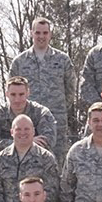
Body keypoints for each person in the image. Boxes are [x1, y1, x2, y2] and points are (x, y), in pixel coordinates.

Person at [10, 18, 77, 156]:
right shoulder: (20, 62)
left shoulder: (62, 60)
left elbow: (71, 88)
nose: (41, 36)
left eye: (45, 33)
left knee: (57, 159)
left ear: (50, 34)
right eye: (38, 32)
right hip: (28, 121)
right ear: (31, 33)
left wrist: (60, 107)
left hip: (57, 119)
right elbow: (12, 90)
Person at [0, 77, 57, 155]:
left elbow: (49, 140)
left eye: (21, 94)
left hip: (34, 155)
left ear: (28, 93)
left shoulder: (41, 113)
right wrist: (21, 143)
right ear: (6, 94)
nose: (17, 100)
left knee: (48, 156)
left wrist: (28, 145)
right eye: (13, 95)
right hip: (5, 157)